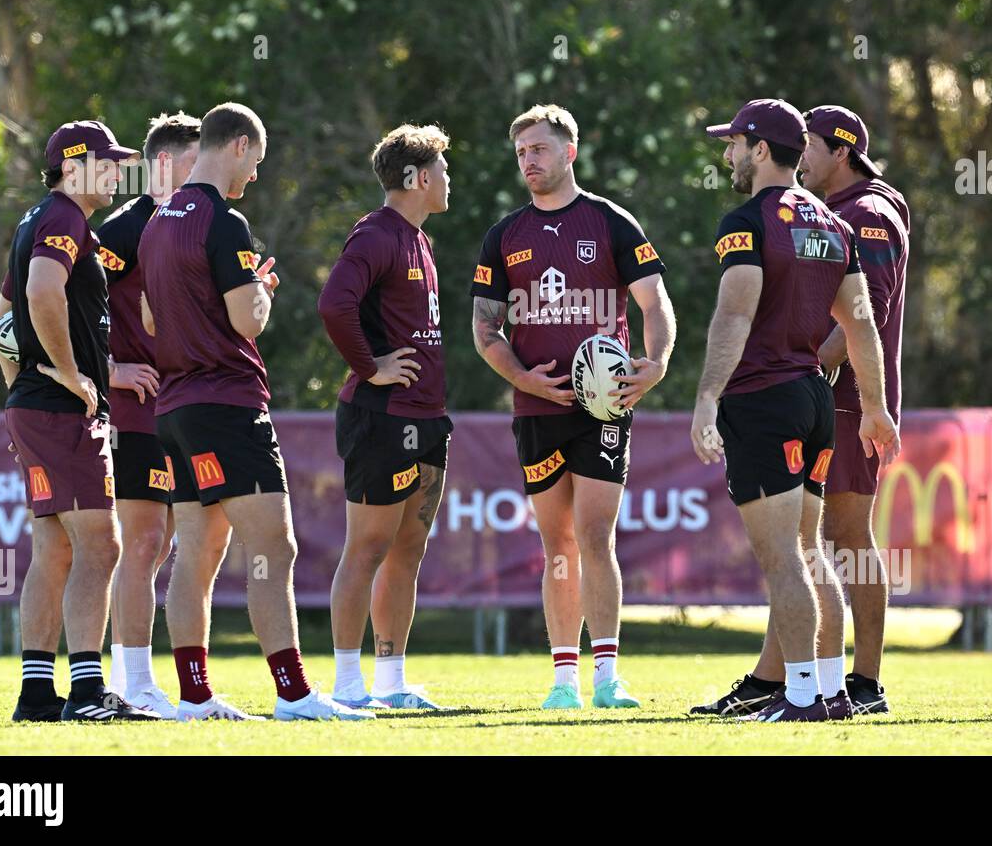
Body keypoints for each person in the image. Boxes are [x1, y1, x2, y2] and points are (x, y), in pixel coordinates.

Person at [138, 102, 369, 721]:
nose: (257, 176)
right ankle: (293, 693)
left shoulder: (157, 222)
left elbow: (150, 320)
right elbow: (247, 321)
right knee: (275, 547)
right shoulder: (224, 221)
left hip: (175, 409)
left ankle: (194, 694)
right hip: (226, 403)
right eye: (257, 161)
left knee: (197, 551)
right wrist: (261, 295)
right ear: (238, 145)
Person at [689, 99, 899, 723]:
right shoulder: (832, 224)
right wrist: (875, 405)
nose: (727, 153)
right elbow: (860, 321)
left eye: (733, 143)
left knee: (784, 557)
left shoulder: (747, 220)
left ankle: (803, 693)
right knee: (808, 552)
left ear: (759, 149)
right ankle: (830, 690)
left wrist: (705, 396)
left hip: (763, 397)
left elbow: (734, 314)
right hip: (815, 396)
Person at [471, 104, 676, 709]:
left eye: (539, 149)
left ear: (569, 152)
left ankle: (608, 677)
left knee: (594, 535)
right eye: (521, 153)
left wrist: (657, 361)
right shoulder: (504, 236)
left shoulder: (611, 222)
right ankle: (564, 681)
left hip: (603, 403)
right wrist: (523, 379)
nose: (529, 161)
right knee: (555, 543)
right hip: (537, 409)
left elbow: (655, 303)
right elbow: (485, 332)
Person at [0, 120, 158, 722]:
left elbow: (1, 317)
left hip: (34, 406)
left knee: (54, 547)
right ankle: (89, 693)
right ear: (74, 166)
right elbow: (40, 293)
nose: (117, 172)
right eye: (108, 162)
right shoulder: (64, 215)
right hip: (59, 408)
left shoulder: (37, 217)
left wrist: (20, 388)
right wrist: (65, 373)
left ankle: (38, 694)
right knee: (102, 543)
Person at [319, 124, 454, 711]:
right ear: (418, 178)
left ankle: (392, 682)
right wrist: (370, 366)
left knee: (407, 551)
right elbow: (333, 303)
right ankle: (348, 684)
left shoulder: (418, 238)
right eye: (443, 170)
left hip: (426, 417)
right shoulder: (376, 234)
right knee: (368, 548)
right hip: (381, 415)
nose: (450, 179)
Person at [799, 104, 909, 713]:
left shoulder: (868, 212)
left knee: (845, 537)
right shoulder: (832, 211)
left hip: (847, 401)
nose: (800, 157)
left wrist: (808, 369)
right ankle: (810, 676)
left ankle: (863, 682)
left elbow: (865, 315)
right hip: (828, 395)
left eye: (809, 145)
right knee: (815, 537)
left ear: (840, 151)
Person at [100, 112, 201, 716]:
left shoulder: (184, 226)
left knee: (161, 544)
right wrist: (109, 370)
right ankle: (130, 680)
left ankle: (138, 676)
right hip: (130, 407)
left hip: (173, 406)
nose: (202, 178)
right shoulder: (124, 228)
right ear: (162, 166)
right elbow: (60, 297)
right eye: (194, 165)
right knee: (140, 542)